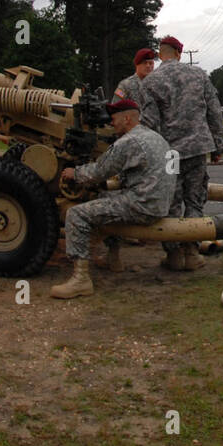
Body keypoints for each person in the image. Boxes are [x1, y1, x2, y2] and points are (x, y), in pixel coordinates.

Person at [52, 99, 175, 299]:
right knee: (106, 197)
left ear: (127, 118)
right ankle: (113, 258)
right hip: (159, 203)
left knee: (76, 214)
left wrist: (74, 174)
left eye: (114, 118)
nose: (111, 122)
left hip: (142, 206)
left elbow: (99, 171)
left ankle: (80, 279)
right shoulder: (156, 138)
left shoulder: (128, 142)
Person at [141, 36, 223, 271]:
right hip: (198, 149)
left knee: (172, 203)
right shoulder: (199, 75)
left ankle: (174, 255)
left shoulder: (151, 81)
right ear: (180, 52)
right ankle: (192, 253)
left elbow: (148, 123)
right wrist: (218, 145)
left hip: (169, 154)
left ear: (160, 54)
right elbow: (214, 112)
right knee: (195, 201)